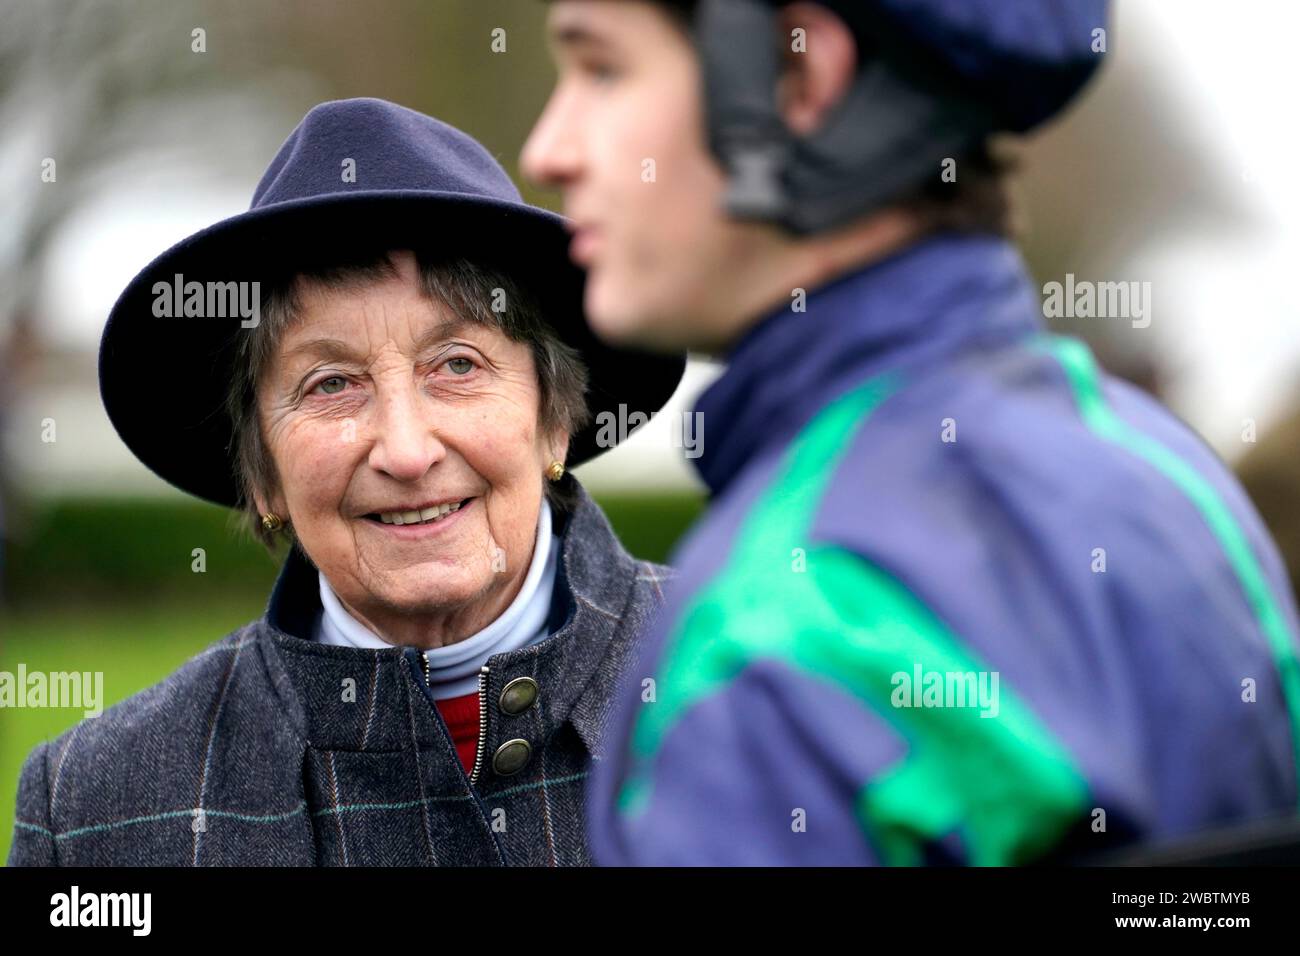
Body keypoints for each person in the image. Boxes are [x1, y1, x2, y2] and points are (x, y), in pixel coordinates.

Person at [521, 0, 1300, 864]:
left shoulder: (773, 630)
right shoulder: (1178, 483)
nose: (548, 148)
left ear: (802, 77)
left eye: (602, 69)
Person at [7, 97, 685, 866]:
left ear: (554, 420)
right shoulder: (97, 806)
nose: (405, 449)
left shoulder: (768, 684)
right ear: (261, 473)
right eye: (331, 384)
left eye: (457, 366)